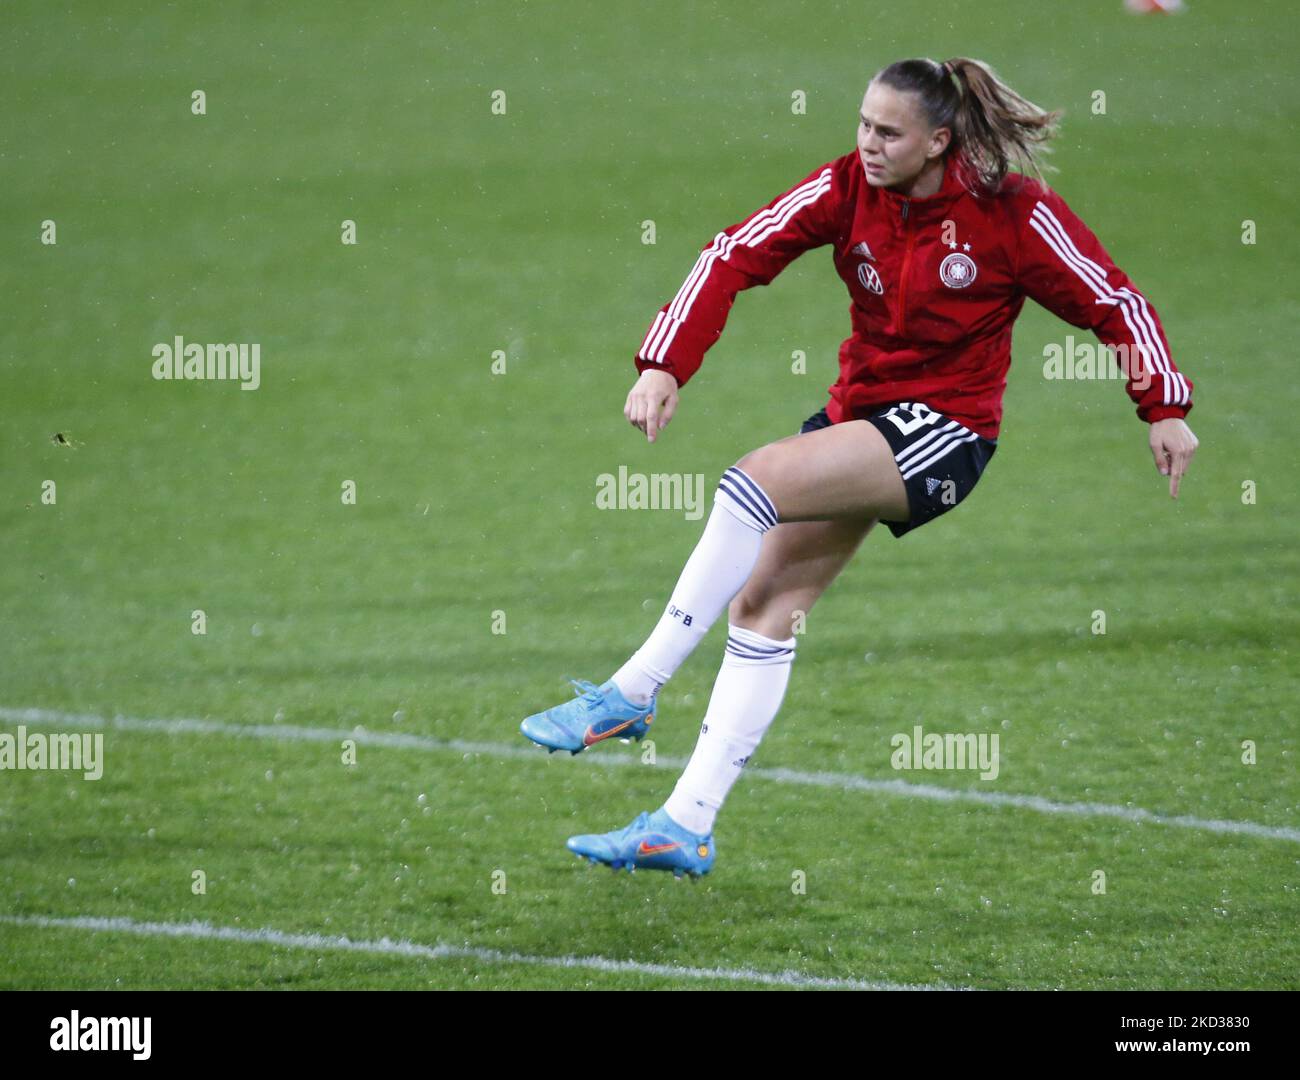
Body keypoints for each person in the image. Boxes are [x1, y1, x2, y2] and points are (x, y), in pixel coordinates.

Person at [520, 57, 1198, 878]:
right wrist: (664, 360)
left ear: (938, 141)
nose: (868, 144)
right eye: (862, 125)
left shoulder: (1011, 214)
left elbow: (1111, 299)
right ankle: (682, 824)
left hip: (948, 431)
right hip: (862, 417)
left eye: (888, 132)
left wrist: (1162, 405)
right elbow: (735, 252)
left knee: (755, 479)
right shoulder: (849, 187)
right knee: (764, 605)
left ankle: (633, 689)